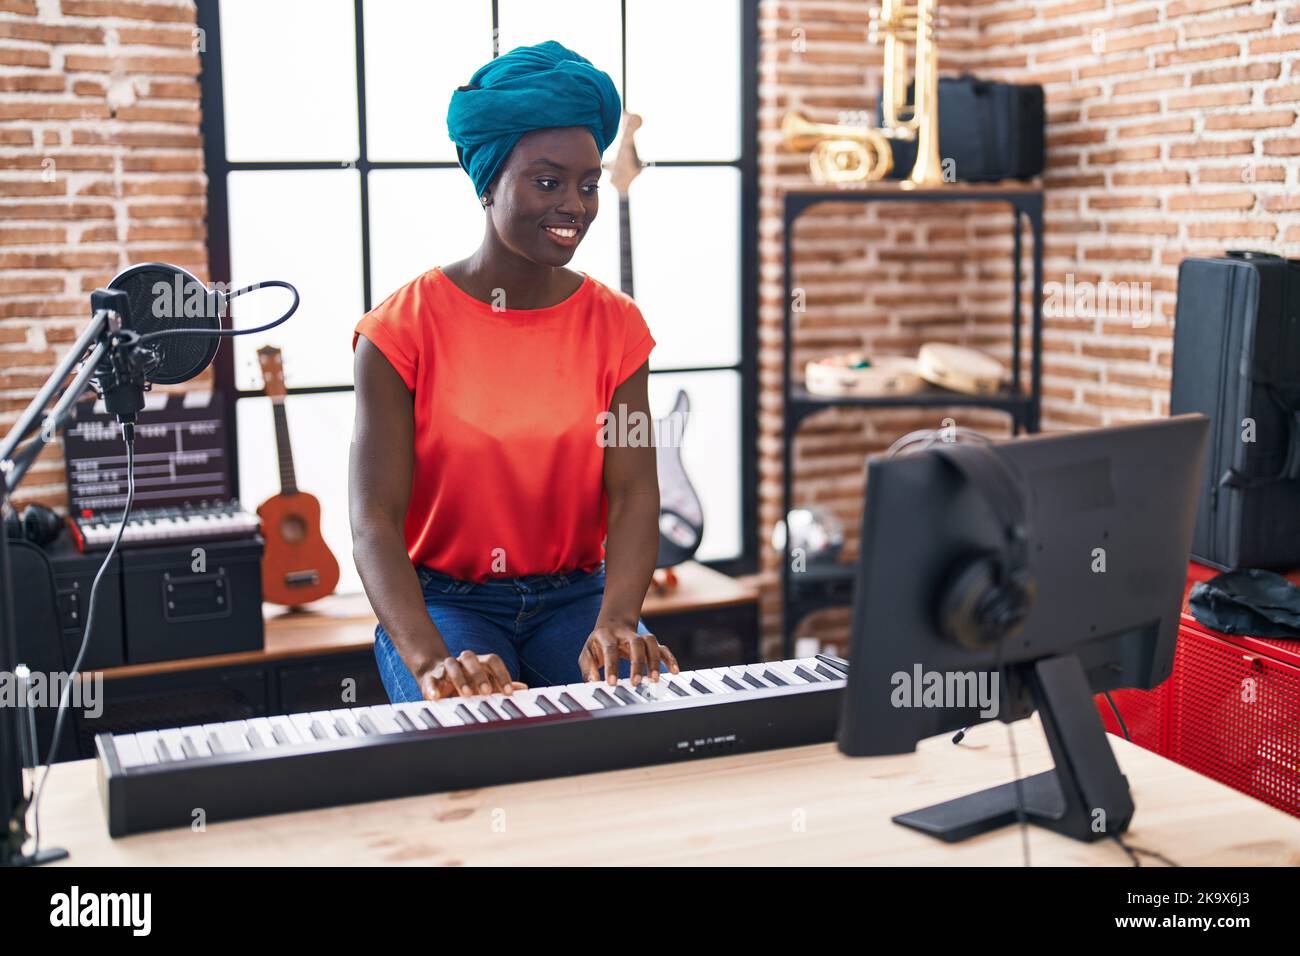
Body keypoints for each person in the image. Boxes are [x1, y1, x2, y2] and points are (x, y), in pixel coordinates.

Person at [349, 40, 678, 704]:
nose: (577, 207)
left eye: (588, 185)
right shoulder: (398, 332)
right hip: (442, 601)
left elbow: (636, 492)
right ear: (488, 180)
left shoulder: (619, 328)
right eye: (548, 181)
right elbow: (373, 517)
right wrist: (429, 657)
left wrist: (616, 620)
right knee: (475, 736)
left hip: (577, 599)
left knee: (639, 719)